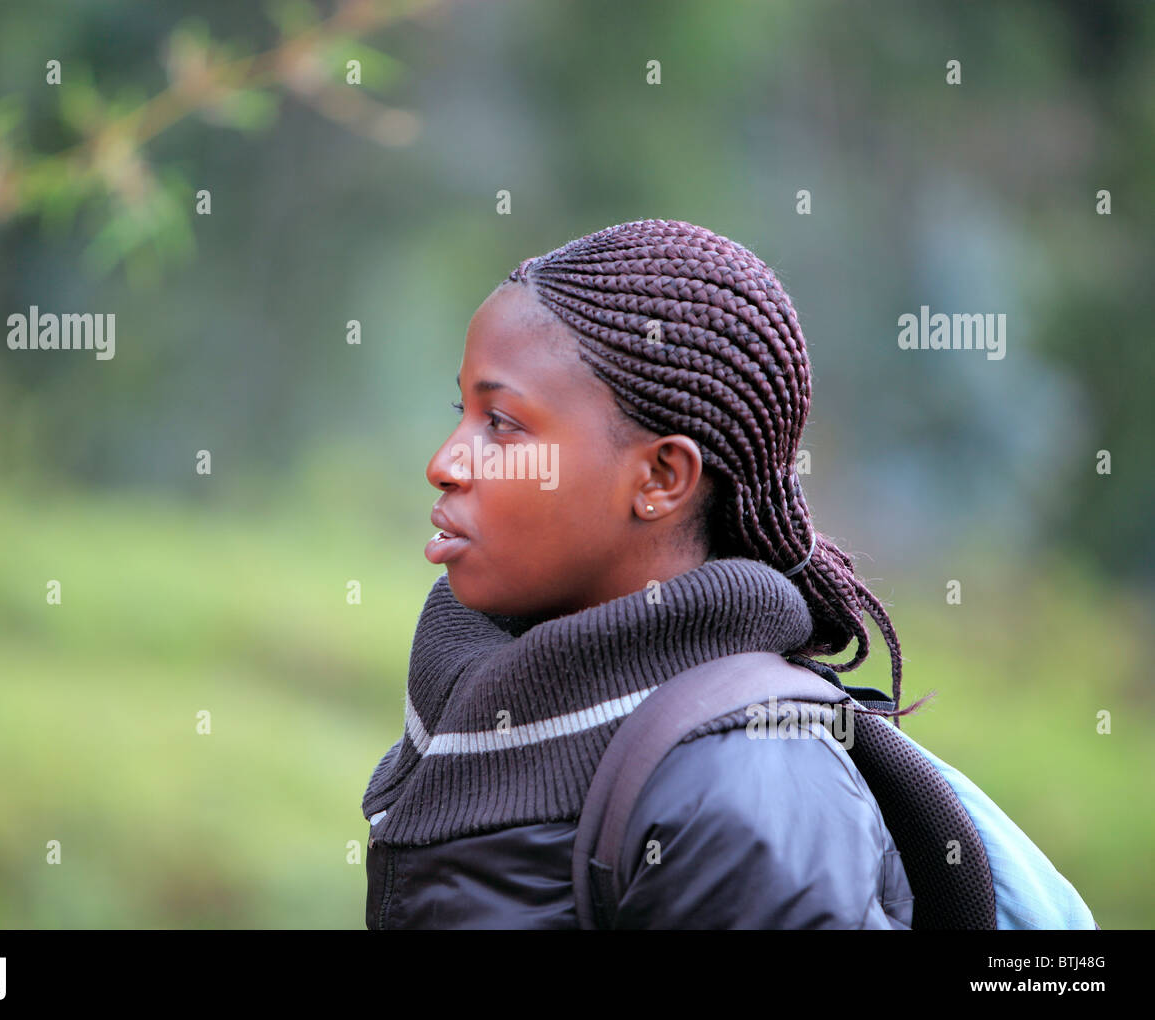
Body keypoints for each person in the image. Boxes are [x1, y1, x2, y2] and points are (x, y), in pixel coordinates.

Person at [361, 219, 923, 929]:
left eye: (501, 423)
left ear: (660, 476)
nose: (445, 463)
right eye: (461, 411)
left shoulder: (742, 794)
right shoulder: (479, 701)